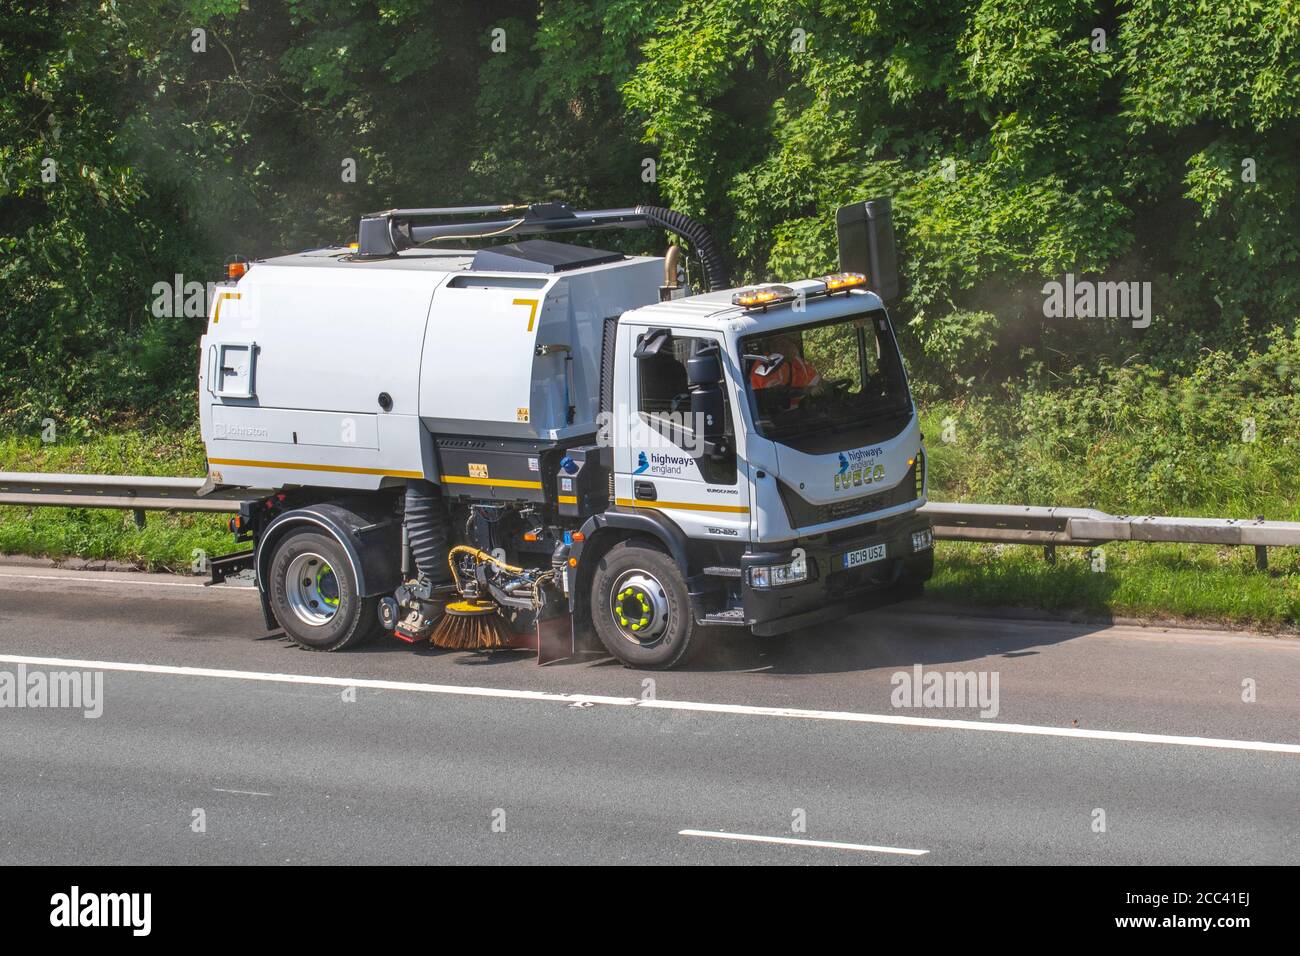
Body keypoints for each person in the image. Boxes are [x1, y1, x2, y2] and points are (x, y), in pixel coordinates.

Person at [749, 333, 821, 402]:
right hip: (771, 411)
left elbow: (815, 379)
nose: (789, 347)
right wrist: (807, 391)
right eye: (782, 343)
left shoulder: (795, 360)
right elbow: (777, 392)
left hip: (801, 408)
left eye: (791, 342)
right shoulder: (765, 363)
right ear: (771, 345)